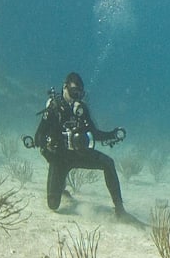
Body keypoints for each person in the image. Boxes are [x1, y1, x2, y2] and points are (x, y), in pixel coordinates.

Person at [29, 72, 132, 220]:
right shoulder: (53, 109)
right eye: (73, 92)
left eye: (80, 94)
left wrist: (112, 135)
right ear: (64, 88)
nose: (76, 97)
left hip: (80, 154)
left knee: (108, 163)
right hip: (59, 159)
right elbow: (38, 137)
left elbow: (94, 133)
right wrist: (49, 145)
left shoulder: (82, 110)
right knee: (53, 205)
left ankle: (120, 209)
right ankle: (61, 188)